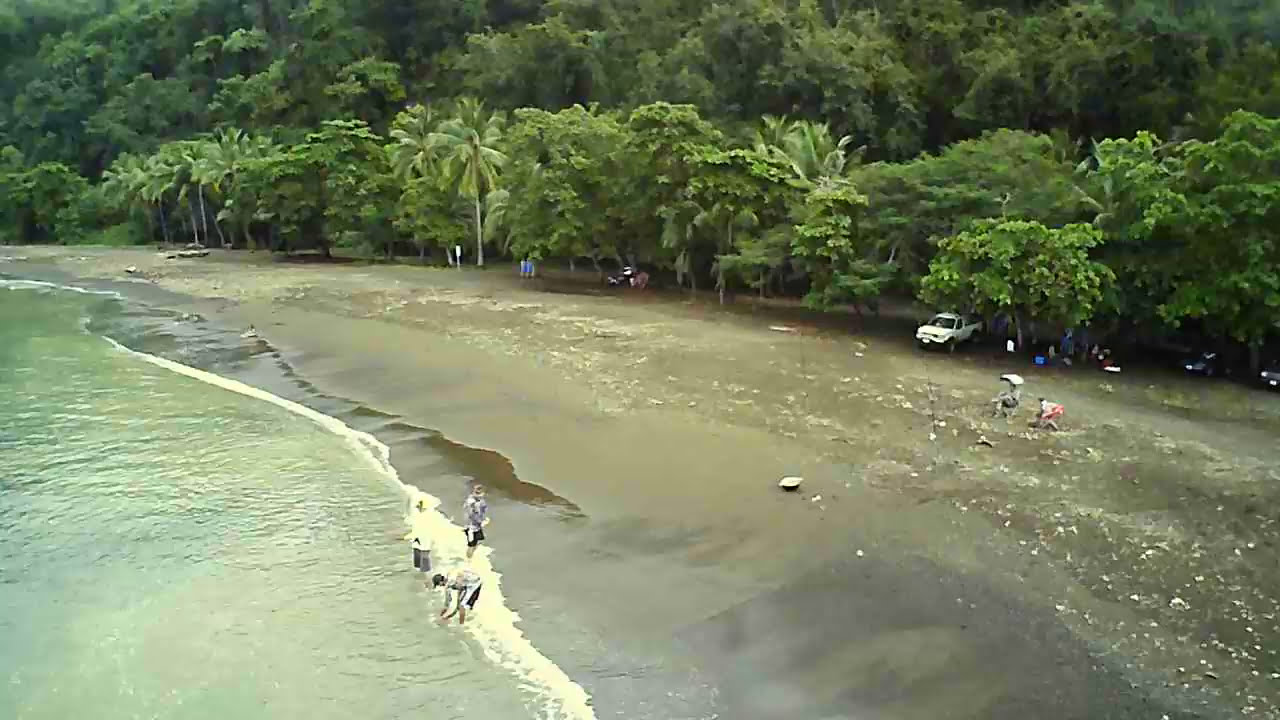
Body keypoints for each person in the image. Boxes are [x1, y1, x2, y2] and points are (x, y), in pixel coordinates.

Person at [404, 496, 434, 575]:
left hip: (423, 545)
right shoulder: (418, 515)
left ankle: (426, 577)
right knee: (418, 566)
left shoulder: (427, 517)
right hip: (417, 544)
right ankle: (422, 577)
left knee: (424, 567)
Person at [462, 484, 489, 559]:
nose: (480, 495)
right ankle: (468, 560)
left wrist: (483, 517)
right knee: (471, 545)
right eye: (477, 493)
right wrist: (482, 522)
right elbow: (471, 514)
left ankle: (470, 556)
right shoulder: (471, 502)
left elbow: (484, 509)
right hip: (471, 527)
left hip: (477, 526)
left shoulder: (480, 500)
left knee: (479, 541)